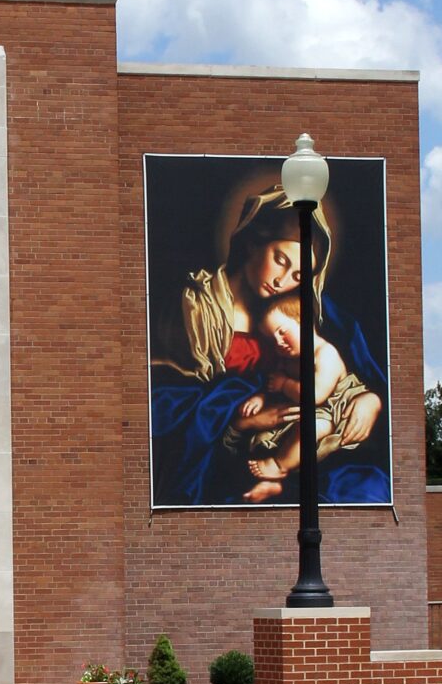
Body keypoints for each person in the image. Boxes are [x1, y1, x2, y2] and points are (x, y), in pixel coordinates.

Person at [149, 184, 389, 506]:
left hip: (298, 440)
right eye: (280, 260)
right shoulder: (195, 307)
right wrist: (241, 421)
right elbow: (164, 399)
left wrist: (370, 400)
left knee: (366, 489)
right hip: (215, 455)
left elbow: (355, 372)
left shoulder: (305, 313)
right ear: (252, 242)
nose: (282, 281)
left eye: (298, 276)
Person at [236, 299, 373, 499]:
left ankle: (278, 466)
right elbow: (272, 383)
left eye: (282, 332)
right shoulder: (288, 359)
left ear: (304, 322)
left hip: (334, 411)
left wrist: (284, 385)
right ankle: (274, 484)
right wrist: (261, 398)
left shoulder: (325, 354)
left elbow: (315, 395)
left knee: (312, 428)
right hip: (302, 409)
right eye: (272, 340)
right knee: (267, 437)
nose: (279, 342)